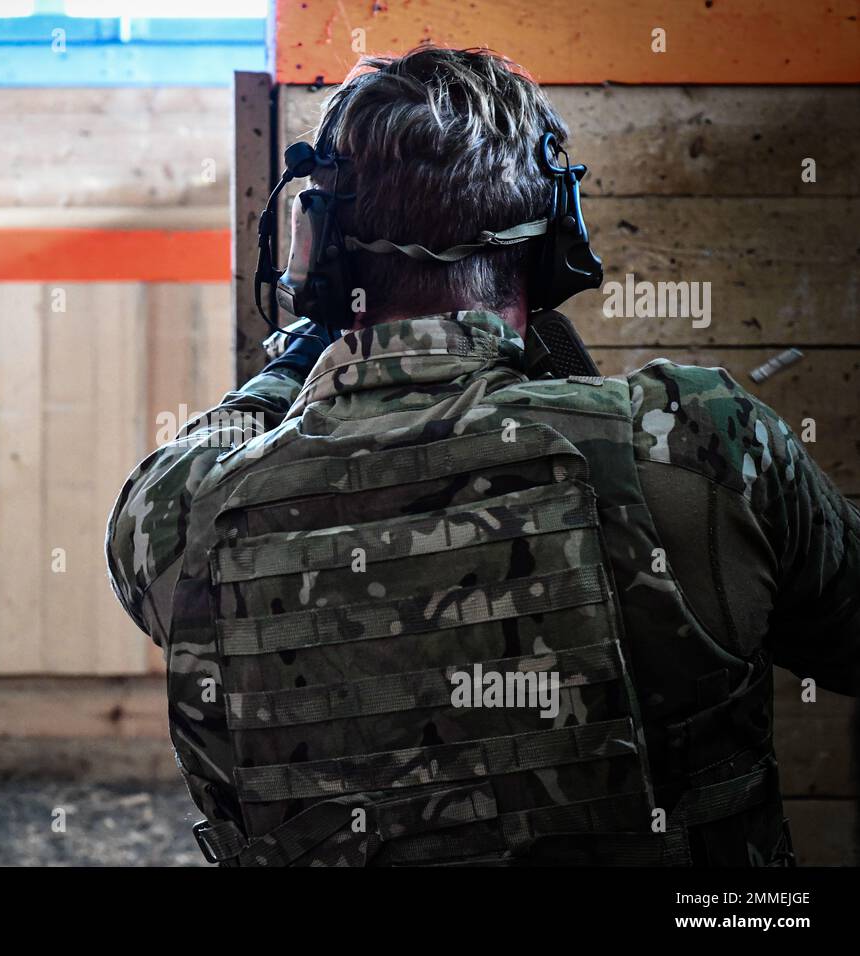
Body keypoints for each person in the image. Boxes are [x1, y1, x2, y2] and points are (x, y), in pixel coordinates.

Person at [105, 45, 859, 866]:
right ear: (554, 242)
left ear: (317, 250)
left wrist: (300, 357)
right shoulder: (700, 441)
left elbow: (211, 445)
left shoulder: (179, 514)